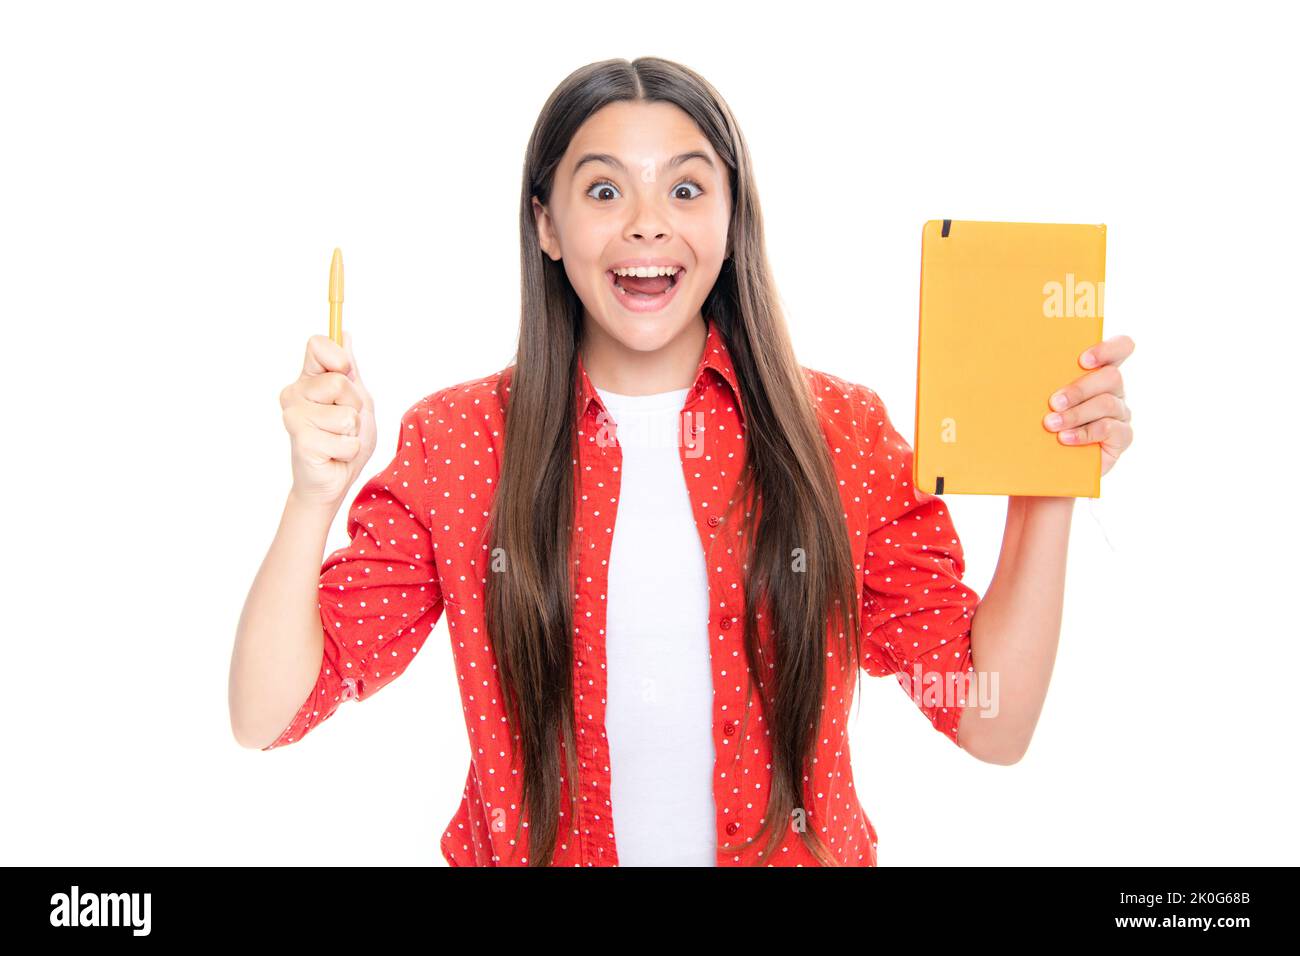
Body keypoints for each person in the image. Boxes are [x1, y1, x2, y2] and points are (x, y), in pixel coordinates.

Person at [228, 56, 1136, 867]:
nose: (649, 226)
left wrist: (1051, 479)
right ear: (546, 225)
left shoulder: (840, 433)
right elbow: (267, 712)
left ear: (732, 216)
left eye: (687, 191)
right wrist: (311, 496)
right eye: (605, 191)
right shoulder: (459, 442)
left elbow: (992, 719)